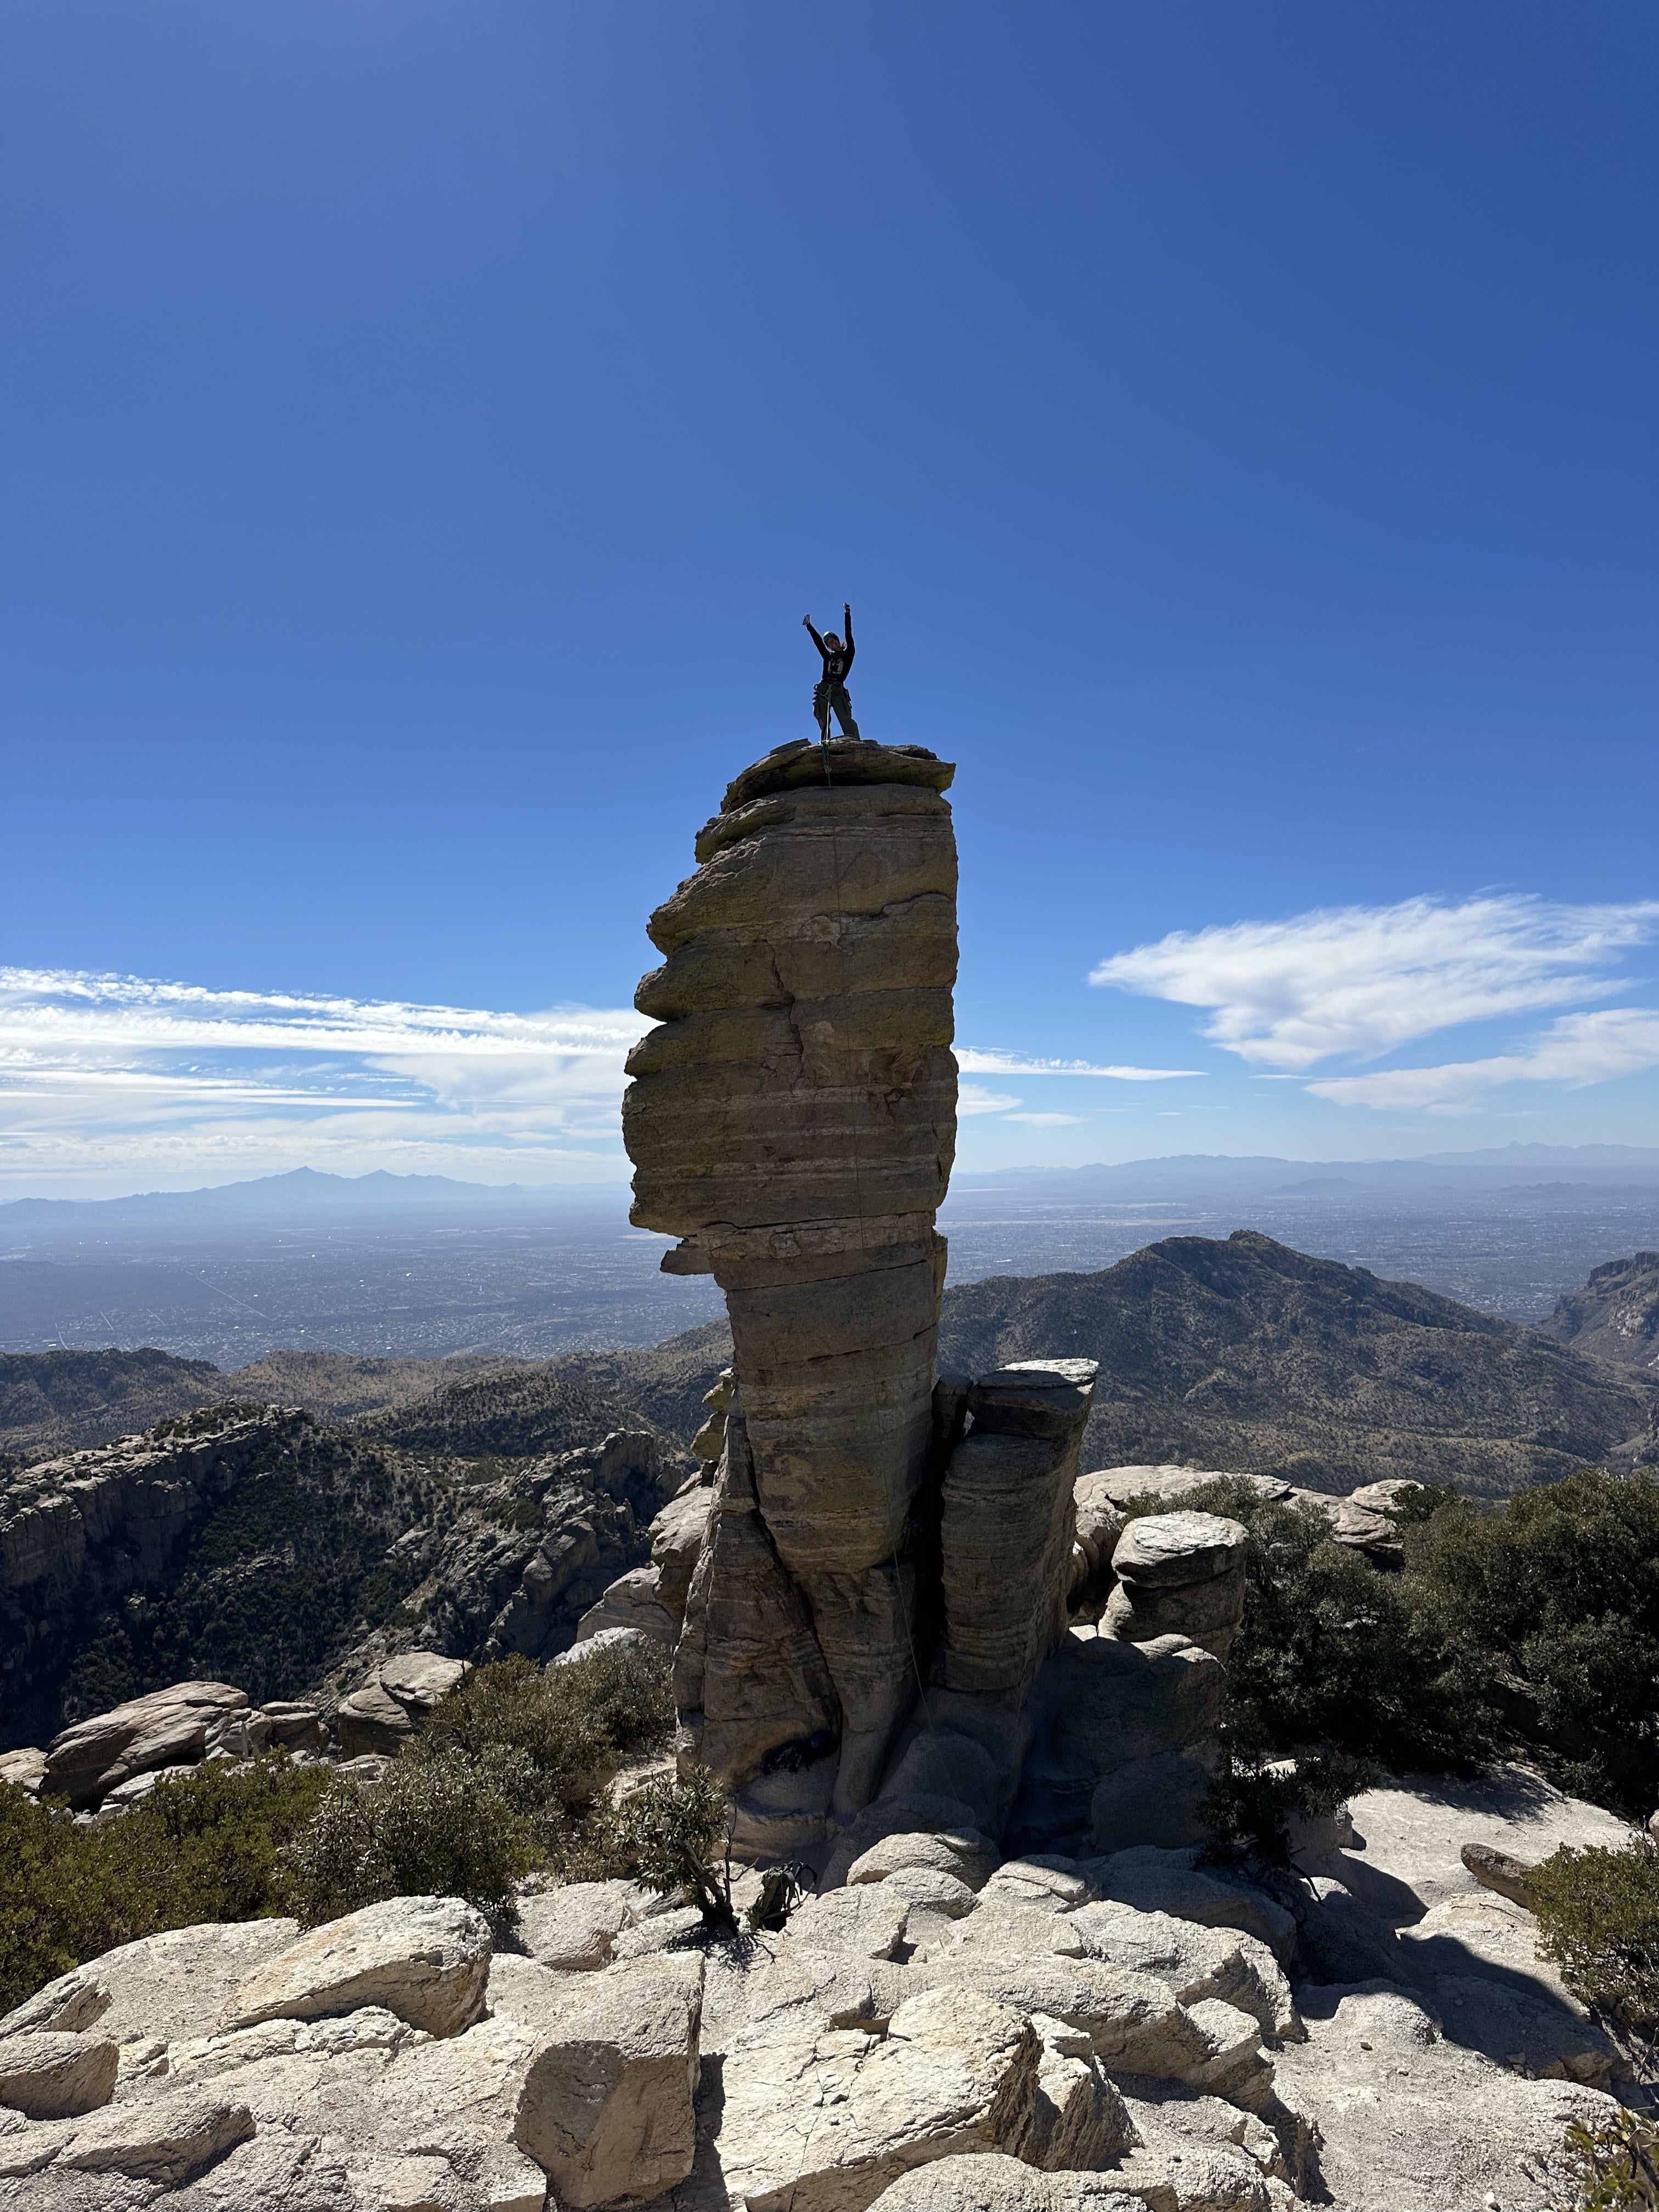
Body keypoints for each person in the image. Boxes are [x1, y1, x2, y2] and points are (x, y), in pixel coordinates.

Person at [803, 603, 861, 742]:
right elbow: (818, 642)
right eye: (829, 644)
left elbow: (848, 633)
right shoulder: (828, 657)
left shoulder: (848, 654)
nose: (832, 644)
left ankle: (855, 742)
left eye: (833, 641)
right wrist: (809, 626)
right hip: (824, 689)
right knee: (824, 719)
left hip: (838, 689)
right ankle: (825, 744)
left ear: (837, 641)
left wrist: (847, 614)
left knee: (845, 718)